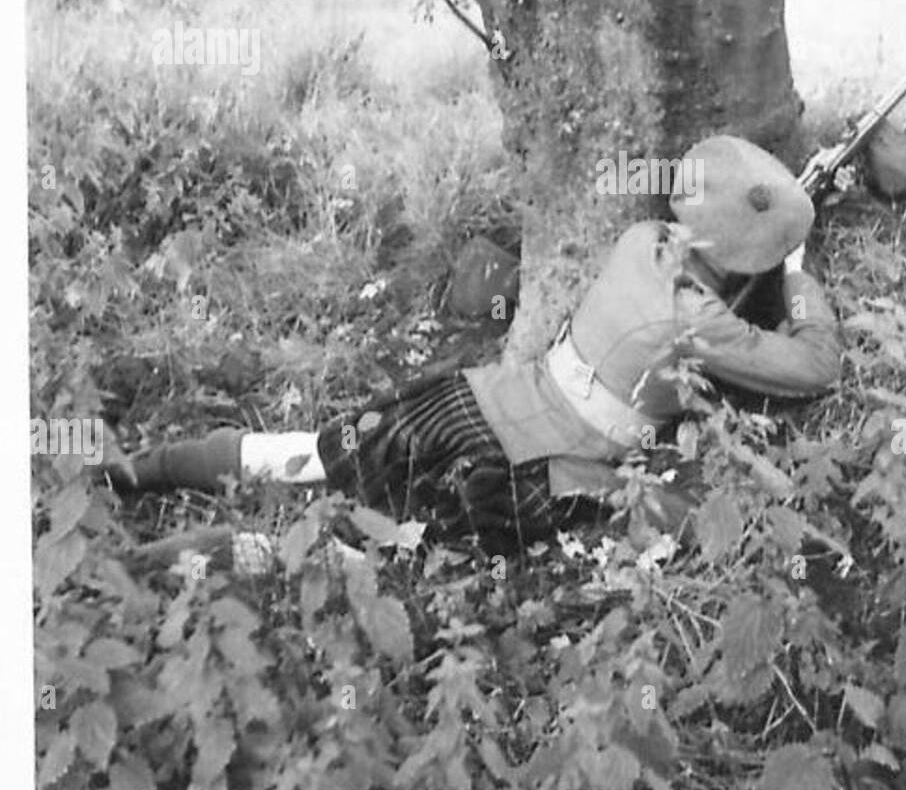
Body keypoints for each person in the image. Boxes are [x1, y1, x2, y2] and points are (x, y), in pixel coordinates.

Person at [112, 135, 843, 552]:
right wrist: (796, 277)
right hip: (518, 466)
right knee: (358, 548)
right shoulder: (699, 320)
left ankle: (132, 471)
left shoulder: (642, 239)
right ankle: (161, 563)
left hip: (471, 400)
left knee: (304, 454)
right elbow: (814, 366)